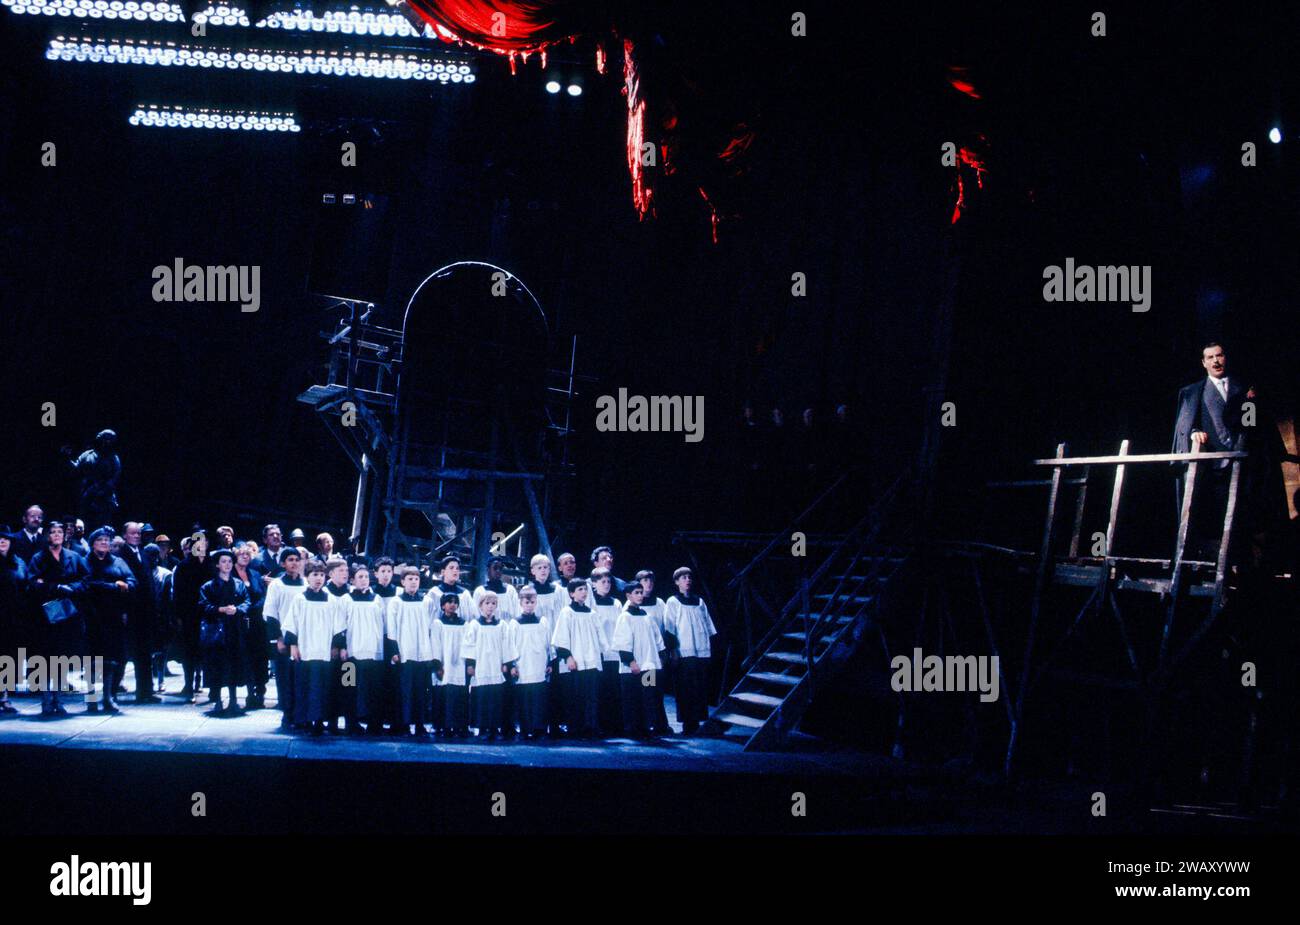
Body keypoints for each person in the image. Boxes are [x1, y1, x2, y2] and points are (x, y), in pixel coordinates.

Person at [28, 522, 89, 717]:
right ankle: (46, 699)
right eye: (52, 532)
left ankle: (58, 698)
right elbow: (34, 582)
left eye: (59, 532)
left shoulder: (73, 557)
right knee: (46, 656)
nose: (56, 535)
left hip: (68, 612)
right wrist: (56, 588)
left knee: (62, 656)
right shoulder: (38, 558)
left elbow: (85, 579)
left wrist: (73, 588)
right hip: (45, 613)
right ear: (47, 535)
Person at [282, 561, 345, 735]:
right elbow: (291, 624)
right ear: (307, 577)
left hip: (324, 651)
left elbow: (338, 626)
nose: (318, 579)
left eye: (321, 575)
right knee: (305, 686)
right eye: (314, 575)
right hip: (305, 650)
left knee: (322, 687)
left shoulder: (331, 599)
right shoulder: (300, 598)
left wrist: (335, 647)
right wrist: (293, 646)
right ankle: (304, 720)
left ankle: (319, 720)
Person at [83, 527, 136, 714]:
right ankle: (90, 698)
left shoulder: (118, 562)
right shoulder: (85, 562)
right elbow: (87, 585)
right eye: (100, 540)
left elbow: (132, 581)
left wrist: (125, 585)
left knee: (114, 658)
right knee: (92, 659)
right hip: (92, 616)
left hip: (114, 616)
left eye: (106, 540)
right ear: (92, 543)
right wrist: (114, 586)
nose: (104, 543)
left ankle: (109, 696)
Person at [663, 567, 717, 735]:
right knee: (685, 688)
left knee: (699, 687)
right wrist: (673, 651)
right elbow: (669, 627)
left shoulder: (699, 601)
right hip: (684, 651)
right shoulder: (673, 601)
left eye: (689, 577)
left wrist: (709, 648)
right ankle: (688, 722)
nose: (687, 580)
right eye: (683, 577)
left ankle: (697, 721)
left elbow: (708, 626)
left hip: (700, 650)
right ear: (677, 582)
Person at [198, 548, 252, 715]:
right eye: (223, 561)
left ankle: (234, 700)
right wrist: (220, 609)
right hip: (217, 630)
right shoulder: (208, 586)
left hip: (235, 630)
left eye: (229, 561)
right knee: (217, 665)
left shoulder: (238, 584)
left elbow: (247, 600)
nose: (227, 565)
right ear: (217, 564)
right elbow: (203, 605)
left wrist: (237, 609)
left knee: (234, 665)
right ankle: (218, 700)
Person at [550, 578, 606, 738]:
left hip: (591, 661)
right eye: (580, 589)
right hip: (575, 661)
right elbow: (561, 637)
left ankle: (591, 727)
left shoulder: (592, 614)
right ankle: (575, 728)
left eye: (585, 589)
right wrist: (568, 657)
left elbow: (601, 638)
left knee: (591, 696)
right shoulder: (567, 612)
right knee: (575, 697)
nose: (584, 592)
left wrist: (599, 656)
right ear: (571, 593)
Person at [613, 581, 668, 738]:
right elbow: (622, 642)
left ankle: (646, 726)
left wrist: (661, 655)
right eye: (636, 593)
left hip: (649, 665)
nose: (640, 595)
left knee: (648, 695)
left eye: (641, 592)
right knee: (632, 696)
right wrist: (630, 661)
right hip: (633, 667)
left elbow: (657, 639)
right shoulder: (625, 617)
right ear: (628, 595)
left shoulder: (646, 616)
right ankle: (632, 728)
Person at [386, 565, 434, 737]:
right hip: (405, 652)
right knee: (405, 690)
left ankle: (420, 724)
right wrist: (394, 650)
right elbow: (391, 628)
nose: (414, 582)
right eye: (410, 579)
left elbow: (430, 627)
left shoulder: (426, 601)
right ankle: (404, 724)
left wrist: (430, 652)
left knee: (421, 690)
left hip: (423, 652)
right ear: (403, 581)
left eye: (416, 579)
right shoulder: (396, 602)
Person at [262, 548, 306, 730]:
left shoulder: (306, 585)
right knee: (285, 678)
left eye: (297, 559)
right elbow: (270, 614)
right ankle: (287, 715)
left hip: (304, 640)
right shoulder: (277, 585)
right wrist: (278, 638)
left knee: (301, 678)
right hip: (284, 639)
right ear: (283, 563)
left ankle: (301, 715)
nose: (294, 563)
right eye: (290, 559)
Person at [342, 563, 386, 735]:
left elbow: (383, 624)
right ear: (352, 580)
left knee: (373, 689)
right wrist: (342, 647)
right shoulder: (346, 599)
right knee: (349, 686)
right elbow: (340, 625)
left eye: (366, 576)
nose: (364, 580)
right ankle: (350, 723)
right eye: (360, 577)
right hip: (351, 653)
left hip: (373, 653)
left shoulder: (377, 599)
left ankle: (374, 723)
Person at [118, 522, 159, 703]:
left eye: (138, 533)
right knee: (132, 652)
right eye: (133, 533)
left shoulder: (142, 553)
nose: (137, 536)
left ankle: (146, 691)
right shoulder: (122, 555)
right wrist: (124, 610)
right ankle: (115, 691)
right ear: (125, 535)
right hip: (132, 610)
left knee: (145, 652)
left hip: (146, 611)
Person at [505, 584, 552, 739]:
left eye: (532, 602)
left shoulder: (542, 621)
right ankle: (526, 728)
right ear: (520, 603)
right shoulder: (515, 623)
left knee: (539, 698)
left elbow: (548, 643)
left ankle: (539, 728)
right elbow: (510, 645)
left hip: (539, 665)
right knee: (524, 698)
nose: (530, 605)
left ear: (536, 603)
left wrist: (550, 663)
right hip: (523, 665)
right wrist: (512, 665)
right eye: (526, 602)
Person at [171, 533, 213, 702]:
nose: (200, 545)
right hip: (189, 614)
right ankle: (189, 684)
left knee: (208, 651)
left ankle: (207, 684)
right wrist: (178, 616)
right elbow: (178, 594)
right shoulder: (184, 566)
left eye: (203, 541)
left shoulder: (212, 564)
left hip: (209, 614)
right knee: (189, 650)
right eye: (197, 542)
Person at [463, 590, 511, 740]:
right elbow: (469, 644)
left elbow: (507, 644)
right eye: (487, 603)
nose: (490, 607)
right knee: (482, 697)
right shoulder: (474, 624)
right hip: (481, 666)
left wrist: (506, 662)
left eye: (493, 604)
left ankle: (494, 727)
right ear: (480, 606)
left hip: (496, 666)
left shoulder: (502, 624)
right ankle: (483, 728)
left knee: (496, 697)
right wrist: (471, 664)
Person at [64, 430, 121, 533]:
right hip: (87, 494)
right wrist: (67, 458)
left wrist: (102, 491)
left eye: (110, 440)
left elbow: (115, 478)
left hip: (104, 497)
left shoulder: (114, 458)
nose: (107, 442)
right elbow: (76, 469)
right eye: (105, 439)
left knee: (103, 526)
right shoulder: (87, 455)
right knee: (84, 523)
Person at [233, 542, 268, 708]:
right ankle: (248, 692)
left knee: (259, 657)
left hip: (257, 622)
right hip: (238, 622)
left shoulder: (254, 573)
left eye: (247, 554)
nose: (245, 557)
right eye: (242, 554)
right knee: (243, 657)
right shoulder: (230, 573)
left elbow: (262, 595)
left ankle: (260, 690)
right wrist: (243, 608)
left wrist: (254, 608)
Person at [635, 569, 671, 732]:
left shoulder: (660, 603)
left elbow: (666, 628)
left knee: (657, 690)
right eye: (644, 581)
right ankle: (650, 723)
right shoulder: (634, 605)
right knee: (647, 689)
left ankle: (659, 723)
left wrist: (667, 652)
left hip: (658, 655)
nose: (648, 584)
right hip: (644, 657)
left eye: (650, 580)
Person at [0, 528, 31, 715]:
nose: (2, 542)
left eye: (5, 539)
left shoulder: (18, 562)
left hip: (13, 616)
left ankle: (4, 696)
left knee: (9, 656)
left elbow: (25, 585)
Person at [430, 592, 469, 737]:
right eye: (449, 602)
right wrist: (438, 665)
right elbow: (435, 644)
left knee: (459, 696)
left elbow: (468, 645)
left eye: (455, 602)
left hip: (459, 665)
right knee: (443, 695)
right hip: (444, 664)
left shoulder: (464, 624)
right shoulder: (437, 623)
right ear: (442, 605)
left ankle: (459, 726)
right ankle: (442, 726)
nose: (452, 605)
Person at [590, 567, 623, 735]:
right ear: (594, 584)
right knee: (600, 690)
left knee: (614, 689)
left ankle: (615, 725)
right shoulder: (591, 604)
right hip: (599, 653)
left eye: (609, 581)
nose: (607, 584)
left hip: (614, 654)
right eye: (602, 581)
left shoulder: (616, 603)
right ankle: (599, 725)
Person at [142, 543, 173, 694]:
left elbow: (169, 598)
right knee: (145, 652)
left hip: (161, 617)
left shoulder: (166, 574)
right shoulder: (140, 573)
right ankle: (147, 682)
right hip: (145, 617)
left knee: (162, 651)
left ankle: (161, 680)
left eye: (155, 555)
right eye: (149, 555)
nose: (152, 558)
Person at [424, 555, 476, 622]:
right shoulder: (434, 593)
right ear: (443, 572)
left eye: (457, 568)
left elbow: (472, 617)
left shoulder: (464, 594)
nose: (455, 571)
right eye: (451, 568)